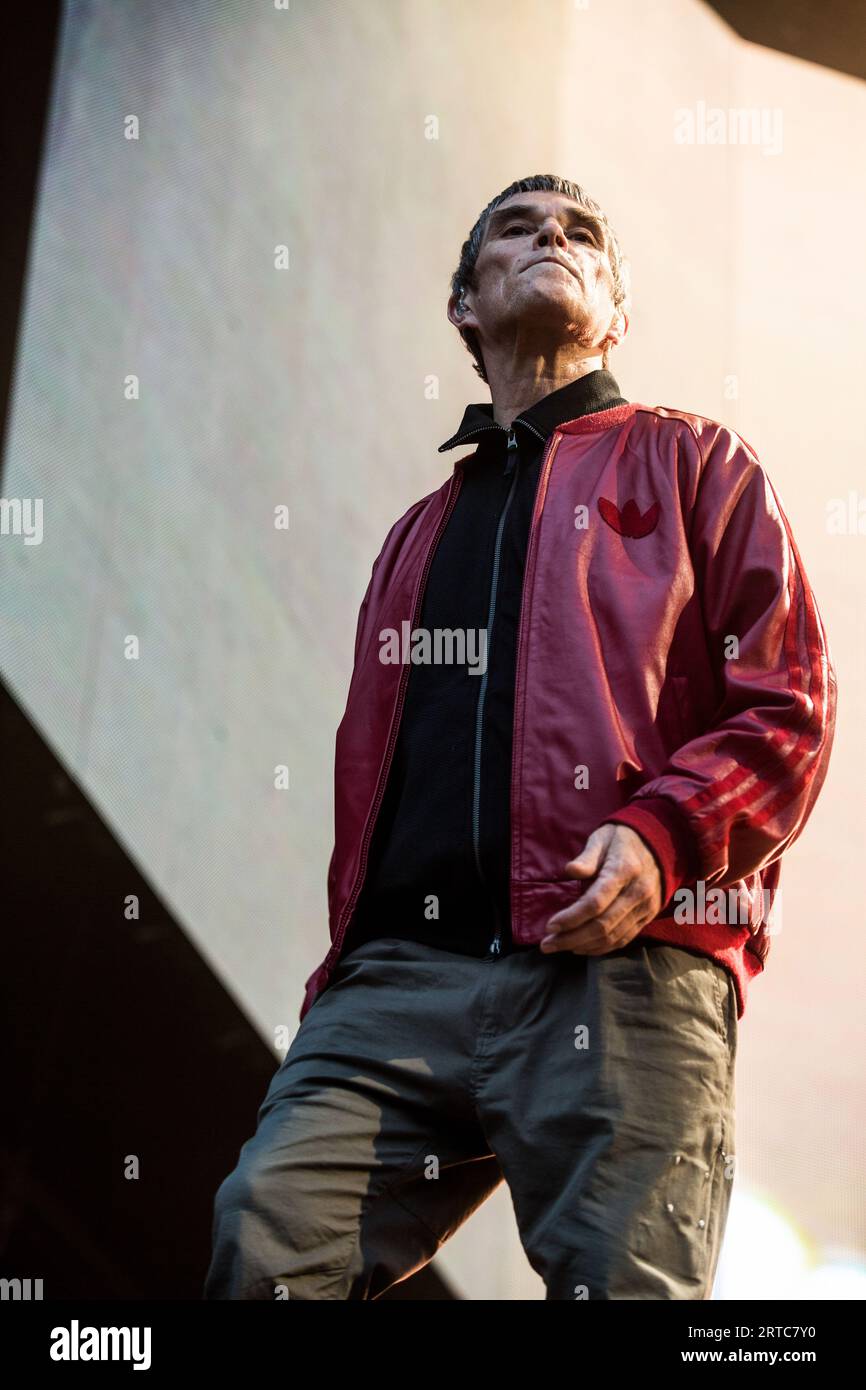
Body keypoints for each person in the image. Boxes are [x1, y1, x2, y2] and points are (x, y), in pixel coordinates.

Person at [203, 174, 836, 1300]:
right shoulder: (414, 535)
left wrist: (663, 837)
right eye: (516, 225)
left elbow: (787, 699)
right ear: (464, 303)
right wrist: (341, 977)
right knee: (264, 1241)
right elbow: (373, 787)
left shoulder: (697, 462)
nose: (551, 233)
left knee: (622, 1288)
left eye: (580, 231)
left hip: (619, 968)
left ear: (616, 308)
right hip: (394, 988)